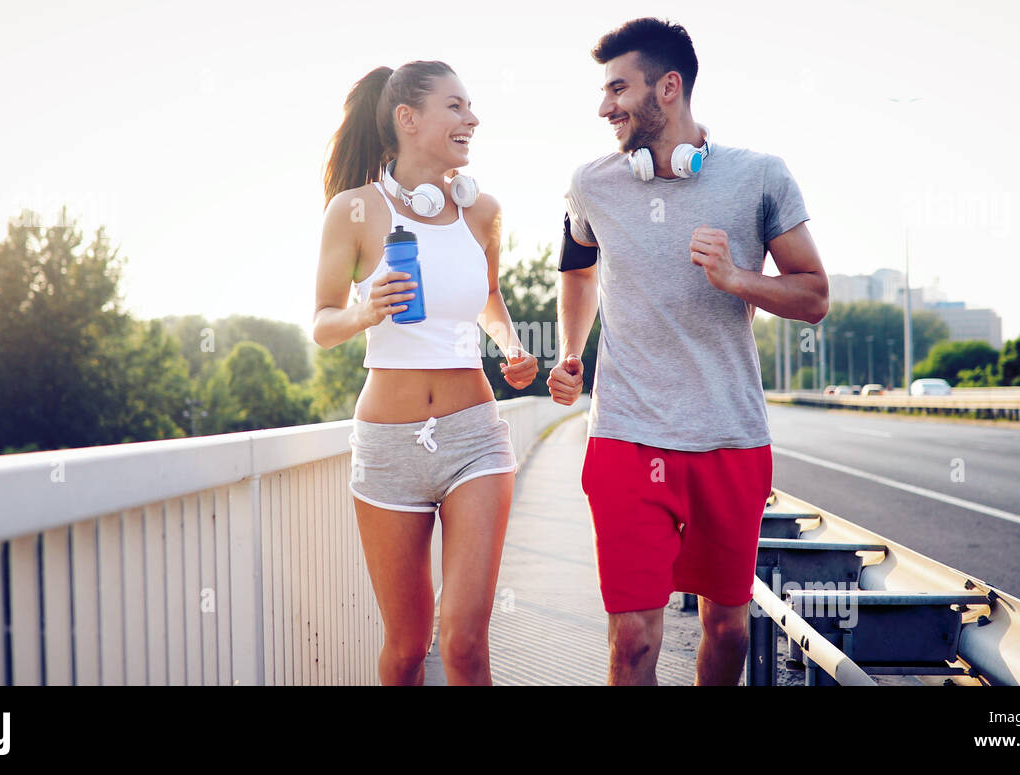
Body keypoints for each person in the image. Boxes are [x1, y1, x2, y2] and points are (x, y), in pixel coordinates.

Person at [547, 18, 829, 686]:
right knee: (633, 640)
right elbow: (579, 269)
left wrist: (738, 279)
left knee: (727, 627)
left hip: (728, 437)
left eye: (619, 88)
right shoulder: (590, 183)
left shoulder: (760, 177)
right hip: (626, 432)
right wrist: (570, 350)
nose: (604, 106)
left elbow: (814, 294)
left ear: (668, 88)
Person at [313, 61, 539, 685]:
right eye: (456, 106)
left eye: (471, 108)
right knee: (408, 646)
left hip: (475, 436)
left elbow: (489, 298)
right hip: (388, 446)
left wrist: (512, 347)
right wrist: (364, 312)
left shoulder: (482, 212)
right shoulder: (354, 210)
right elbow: (322, 322)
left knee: (464, 641)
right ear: (408, 119)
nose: (472, 119)